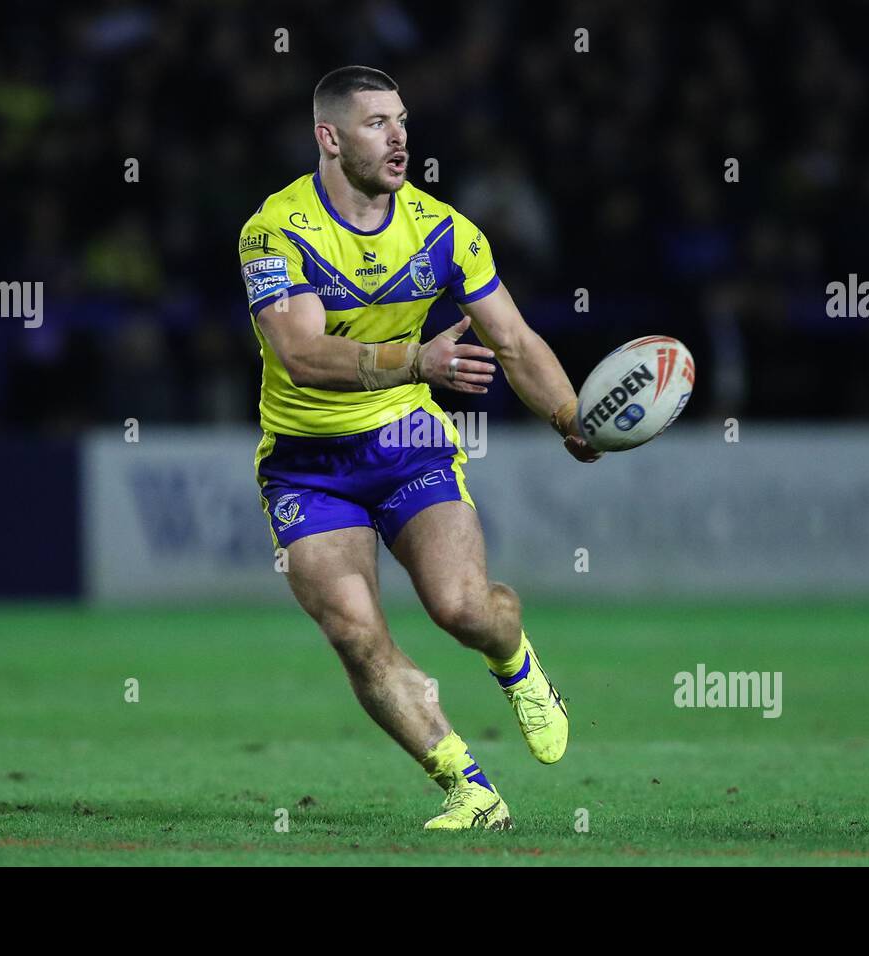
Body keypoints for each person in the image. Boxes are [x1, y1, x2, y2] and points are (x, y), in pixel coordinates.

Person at [237, 65, 600, 830]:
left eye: (402, 120)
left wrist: (569, 414)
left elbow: (513, 339)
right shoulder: (275, 231)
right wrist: (416, 362)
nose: (399, 136)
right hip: (308, 465)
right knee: (355, 631)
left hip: (406, 444)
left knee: (467, 610)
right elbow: (301, 354)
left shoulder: (444, 230)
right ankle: (470, 788)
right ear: (329, 138)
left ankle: (518, 663)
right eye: (376, 123)